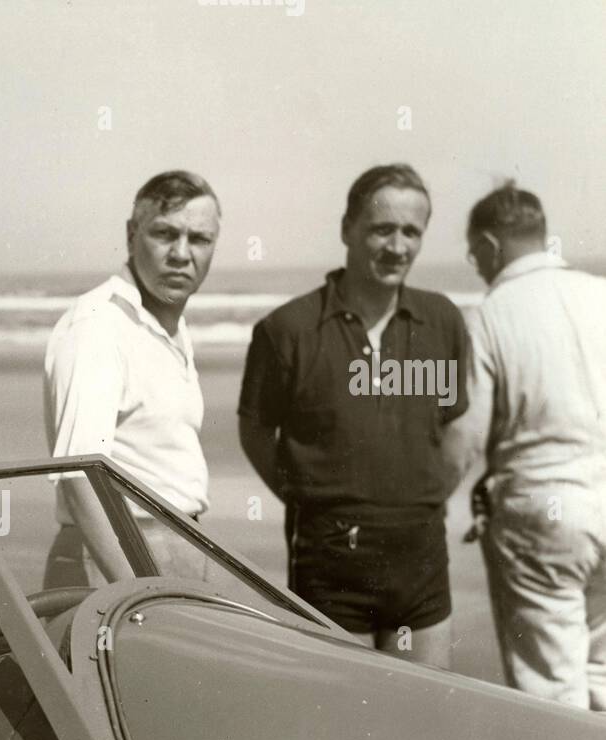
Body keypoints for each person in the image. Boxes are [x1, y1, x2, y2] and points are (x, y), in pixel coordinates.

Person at [238, 163, 469, 667]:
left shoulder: (442, 321)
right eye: (382, 229)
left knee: (425, 720)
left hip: (422, 560)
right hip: (329, 562)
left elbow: (454, 426)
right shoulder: (287, 330)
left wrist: (413, 503)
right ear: (347, 229)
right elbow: (255, 430)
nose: (397, 247)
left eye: (412, 232)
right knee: (346, 724)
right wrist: (313, 499)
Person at [444, 183, 606, 710]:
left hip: (544, 511)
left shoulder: (491, 316)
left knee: (552, 694)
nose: (477, 265)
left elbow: (469, 432)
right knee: (603, 674)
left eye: (475, 254)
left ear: (491, 245)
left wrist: (428, 499)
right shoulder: (598, 294)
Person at [42, 170, 219, 588]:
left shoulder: (167, 324)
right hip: (112, 561)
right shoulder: (99, 325)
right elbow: (79, 473)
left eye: (198, 239)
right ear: (131, 234)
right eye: (165, 234)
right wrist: (138, 594)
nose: (181, 253)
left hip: (177, 550)